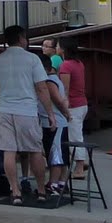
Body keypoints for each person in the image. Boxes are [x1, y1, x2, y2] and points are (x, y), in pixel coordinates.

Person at [0, 25, 63, 205]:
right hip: (27, 111)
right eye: (25, 37)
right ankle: (41, 190)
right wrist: (50, 113)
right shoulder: (32, 60)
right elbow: (41, 88)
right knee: (34, 151)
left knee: (8, 151)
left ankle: (15, 191)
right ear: (20, 38)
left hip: (3, 110)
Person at [43, 37, 88, 179]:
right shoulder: (79, 63)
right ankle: (77, 163)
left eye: (58, 46)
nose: (56, 49)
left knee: (74, 136)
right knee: (75, 134)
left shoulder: (66, 66)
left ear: (63, 49)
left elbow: (65, 89)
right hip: (82, 103)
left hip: (73, 105)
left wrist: (65, 108)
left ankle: (79, 166)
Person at [41, 55, 73, 197]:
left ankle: (53, 183)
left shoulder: (49, 82)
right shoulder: (56, 80)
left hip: (55, 123)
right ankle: (61, 182)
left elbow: (58, 101)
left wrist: (66, 113)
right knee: (61, 153)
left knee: (56, 154)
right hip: (59, 122)